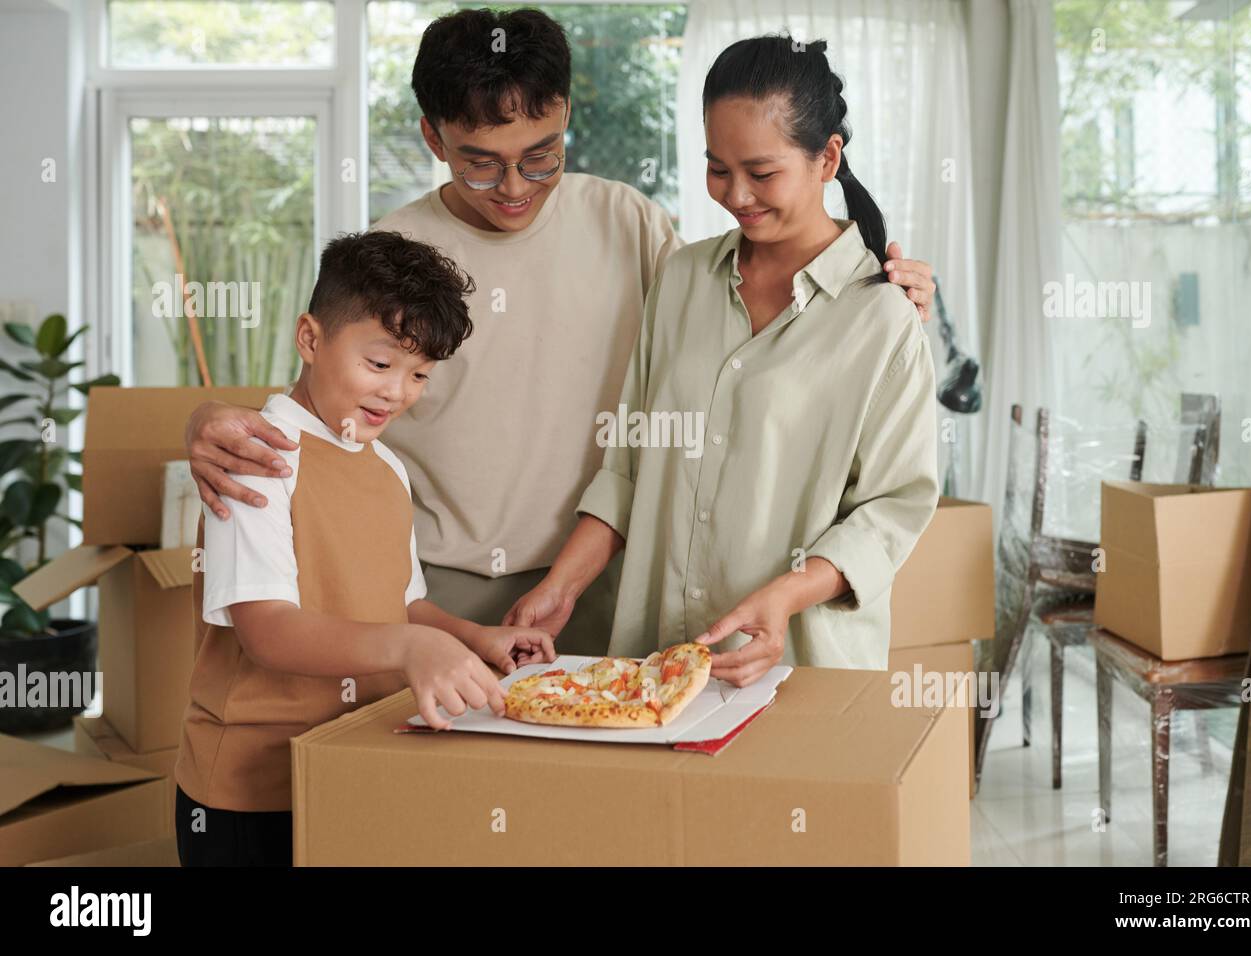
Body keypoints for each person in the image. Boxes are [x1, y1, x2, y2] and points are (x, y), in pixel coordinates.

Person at [182, 9, 939, 658]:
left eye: (540, 156)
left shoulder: (636, 229)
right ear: (433, 138)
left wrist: (878, 291)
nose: (514, 188)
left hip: (604, 586)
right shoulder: (396, 247)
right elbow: (328, 397)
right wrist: (209, 419)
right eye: (481, 164)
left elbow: (722, 384)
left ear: (568, 116)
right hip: (428, 590)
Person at [505, 36, 940, 686]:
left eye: (762, 173)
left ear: (827, 158)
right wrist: (561, 588)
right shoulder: (681, 280)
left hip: (800, 671)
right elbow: (628, 465)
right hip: (654, 665)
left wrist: (786, 596)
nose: (736, 194)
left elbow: (890, 512)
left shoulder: (881, 317)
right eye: (717, 167)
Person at [173, 231, 554, 866]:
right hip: (251, 795)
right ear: (311, 339)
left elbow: (403, 607)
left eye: (419, 375)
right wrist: (411, 648)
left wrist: (469, 638)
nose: (396, 392)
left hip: (358, 763)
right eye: (379, 365)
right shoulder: (255, 456)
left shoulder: (387, 470)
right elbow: (266, 631)